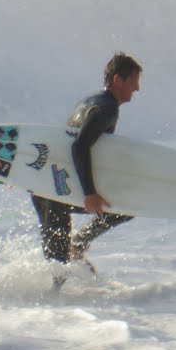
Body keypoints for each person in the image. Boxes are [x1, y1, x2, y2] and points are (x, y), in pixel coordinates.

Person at [31, 52, 142, 284]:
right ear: (117, 80)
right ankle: (46, 306)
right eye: (134, 80)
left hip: (49, 185)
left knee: (57, 266)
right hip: (57, 192)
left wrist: (28, 173)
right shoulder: (106, 109)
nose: (137, 88)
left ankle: (75, 249)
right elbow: (79, 147)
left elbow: (62, 143)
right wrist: (90, 193)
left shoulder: (90, 102)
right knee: (58, 272)